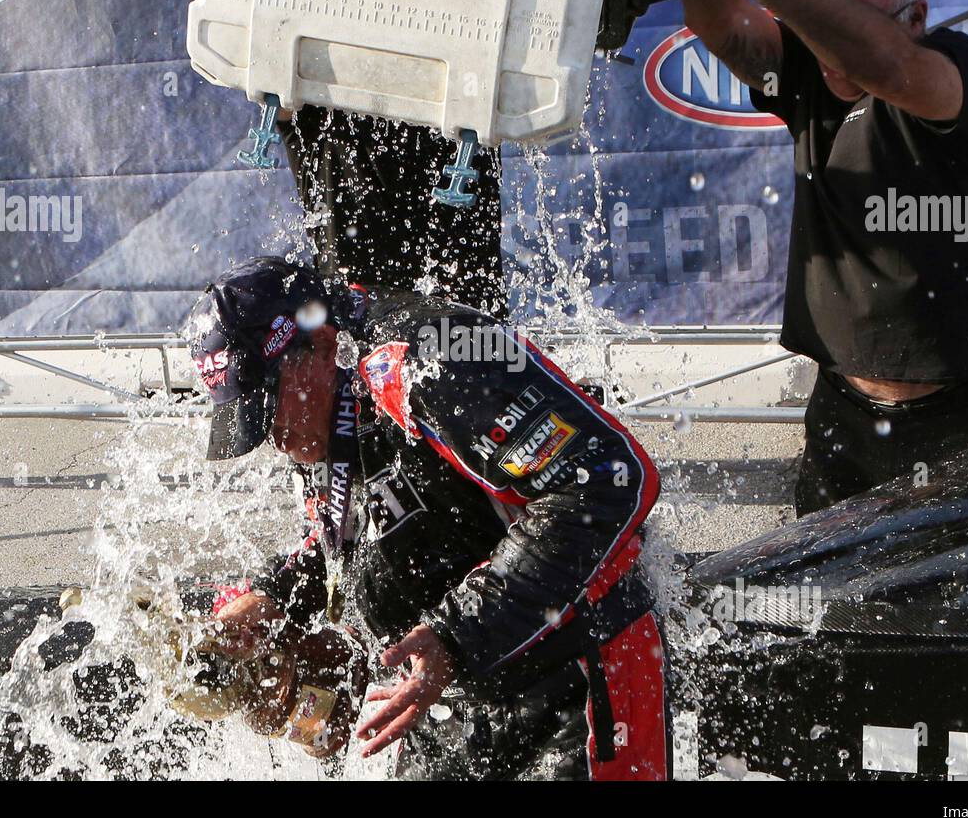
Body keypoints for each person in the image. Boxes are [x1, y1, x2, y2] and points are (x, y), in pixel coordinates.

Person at [185, 256, 668, 779]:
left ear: (323, 347)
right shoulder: (321, 396)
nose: (274, 441)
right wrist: (278, 598)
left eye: (271, 409)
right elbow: (357, 534)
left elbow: (606, 479)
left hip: (579, 671)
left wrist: (454, 636)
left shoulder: (430, 358)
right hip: (450, 692)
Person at [677, 0, 968, 515]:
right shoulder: (809, 78)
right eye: (812, 26)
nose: (825, 47)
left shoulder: (952, 69)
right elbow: (717, 21)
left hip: (965, 421)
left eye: (840, 20)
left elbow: (884, 65)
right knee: (824, 605)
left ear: (914, 18)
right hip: (843, 414)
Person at [276, 106, 508, 317]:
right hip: (369, 327)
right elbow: (277, 78)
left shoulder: (467, 105)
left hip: (464, 331)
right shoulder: (318, 114)